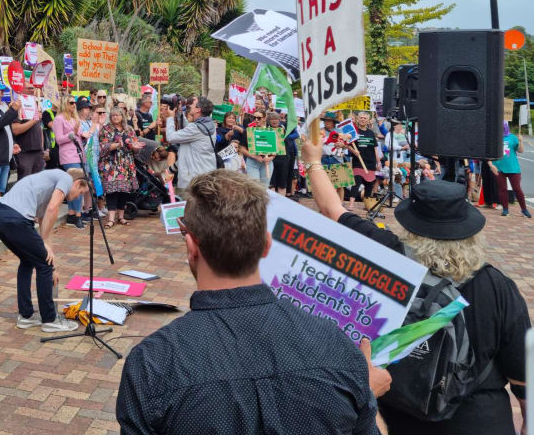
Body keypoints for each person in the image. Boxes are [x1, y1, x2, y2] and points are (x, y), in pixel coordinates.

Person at [117, 170, 389, 435]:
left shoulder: (154, 362)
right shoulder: (336, 345)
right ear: (266, 244)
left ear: (191, 246)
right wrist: (367, 397)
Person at [301, 137, 530, 435]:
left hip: (403, 412)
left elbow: (334, 210)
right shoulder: (496, 285)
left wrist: (313, 160)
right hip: (480, 419)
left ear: (411, 227)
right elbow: (524, 375)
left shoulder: (387, 255)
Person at [0, 169, 88, 333]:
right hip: (13, 218)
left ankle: (26, 316)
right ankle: (50, 320)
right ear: (77, 183)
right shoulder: (65, 178)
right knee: (43, 265)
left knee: (29, 261)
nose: (78, 197)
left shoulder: (48, 186)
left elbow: (44, 225)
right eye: (80, 192)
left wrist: (52, 263)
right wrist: (48, 264)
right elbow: (52, 210)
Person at [98, 107, 145, 227]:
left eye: (117, 115)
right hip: (111, 165)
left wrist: (136, 147)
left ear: (122, 116)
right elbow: (103, 147)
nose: (115, 117)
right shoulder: (106, 129)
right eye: (113, 115)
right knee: (112, 192)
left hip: (126, 164)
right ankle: (111, 219)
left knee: (124, 191)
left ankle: (121, 217)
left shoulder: (128, 129)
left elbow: (134, 148)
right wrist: (118, 144)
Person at [165, 97, 218, 193]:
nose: (189, 106)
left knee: (190, 207)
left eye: (192, 104)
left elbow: (171, 137)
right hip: (205, 177)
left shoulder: (195, 129)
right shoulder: (210, 125)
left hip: (192, 183)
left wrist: (169, 118)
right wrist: (179, 112)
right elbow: (188, 129)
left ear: (198, 109)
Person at [487, 122, 531, 217]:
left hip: (513, 167)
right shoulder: (494, 138)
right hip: (498, 167)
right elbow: (488, 153)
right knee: (502, 189)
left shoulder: (512, 137)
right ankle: (505, 209)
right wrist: (491, 165)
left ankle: (524, 209)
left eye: (503, 126)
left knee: (517, 189)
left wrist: (520, 141)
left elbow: (520, 150)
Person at [347, 111, 381, 211]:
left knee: (369, 184)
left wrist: (378, 162)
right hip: (358, 162)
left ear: (368, 120)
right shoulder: (354, 132)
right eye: (361, 118)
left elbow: (375, 149)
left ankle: (366, 204)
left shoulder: (371, 133)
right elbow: (347, 144)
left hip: (370, 162)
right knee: (356, 183)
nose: (362, 119)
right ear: (357, 119)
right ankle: (351, 205)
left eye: (364, 118)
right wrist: (354, 151)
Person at [12, 87, 46, 179]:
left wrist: (42, 149)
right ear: (21, 90)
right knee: (25, 184)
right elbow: (15, 130)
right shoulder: (18, 106)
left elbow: (40, 129)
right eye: (29, 88)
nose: (32, 90)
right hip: (25, 153)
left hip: (38, 152)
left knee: (37, 185)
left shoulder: (37, 105)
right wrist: (34, 120)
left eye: (33, 88)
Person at [267, 111, 292, 196]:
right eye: (272, 119)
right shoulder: (265, 130)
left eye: (276, 119)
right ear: (269, 120)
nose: (274, 121)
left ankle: (282, 203)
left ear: (279, 120)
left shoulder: (284, 130)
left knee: (282, 182)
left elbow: (288, 145)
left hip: (282, 159)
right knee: (271, 182)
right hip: (270, 160)